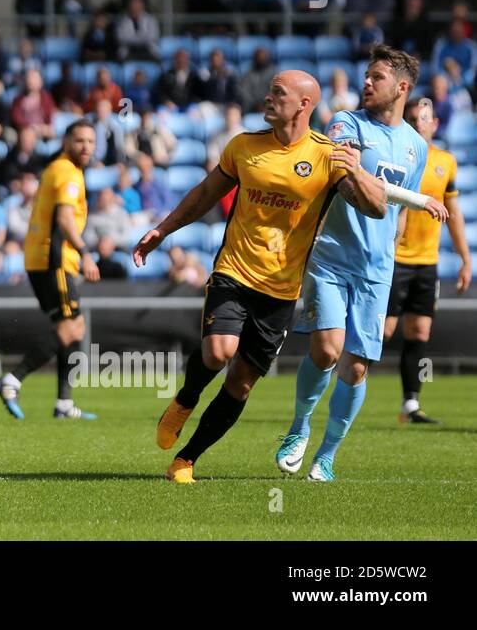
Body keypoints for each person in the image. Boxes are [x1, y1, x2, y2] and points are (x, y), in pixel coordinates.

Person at [132, 69, 387, 483]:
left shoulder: (327, 155)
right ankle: (185, 398)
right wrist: (163, 229)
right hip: (234, 270)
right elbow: (203, 194)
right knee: (218, 352)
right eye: (269, 91)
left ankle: (186, 459)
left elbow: (377, 208)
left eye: (278, 93)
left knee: (242, 384)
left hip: (283, 291)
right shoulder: (244, 146)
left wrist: (357, 170)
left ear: (304, 104)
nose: (268, 98)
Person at [278, 48, 446, 482]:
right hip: (331, 258)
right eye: (366, 76)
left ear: (402, 88)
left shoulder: (414, 146)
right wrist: (409, 198)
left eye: (377, 77)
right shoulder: (345, 123)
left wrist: (392, 241)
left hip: (377, 268)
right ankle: (298, 428)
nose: (367, 83)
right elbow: (349, 180)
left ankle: (327, 455)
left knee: (355, 367)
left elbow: (396, 215)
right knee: (328, 349)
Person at [0, 120, 101, 421]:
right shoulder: (67, 172)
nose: (86, 147)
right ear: (66, 142)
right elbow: (65, 219)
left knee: (71, 329)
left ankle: (64, 404)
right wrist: (86, 254)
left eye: (91, 141)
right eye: (80, 140)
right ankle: (12, 380)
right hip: (55, 261)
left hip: (42, 258)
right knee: (72, 328)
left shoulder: (60, 168)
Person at [382, 98, 471, 424]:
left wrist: (464, 258)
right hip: (396, 259)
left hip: (427, 262)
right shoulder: (398, 156)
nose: (420, 123)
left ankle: (411, 405)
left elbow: (454, 213)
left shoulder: (446, 162)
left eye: (425, 119)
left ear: (434, 124)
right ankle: (347, 381)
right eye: (414, 119)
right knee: (384, 331)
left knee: (419, 332)